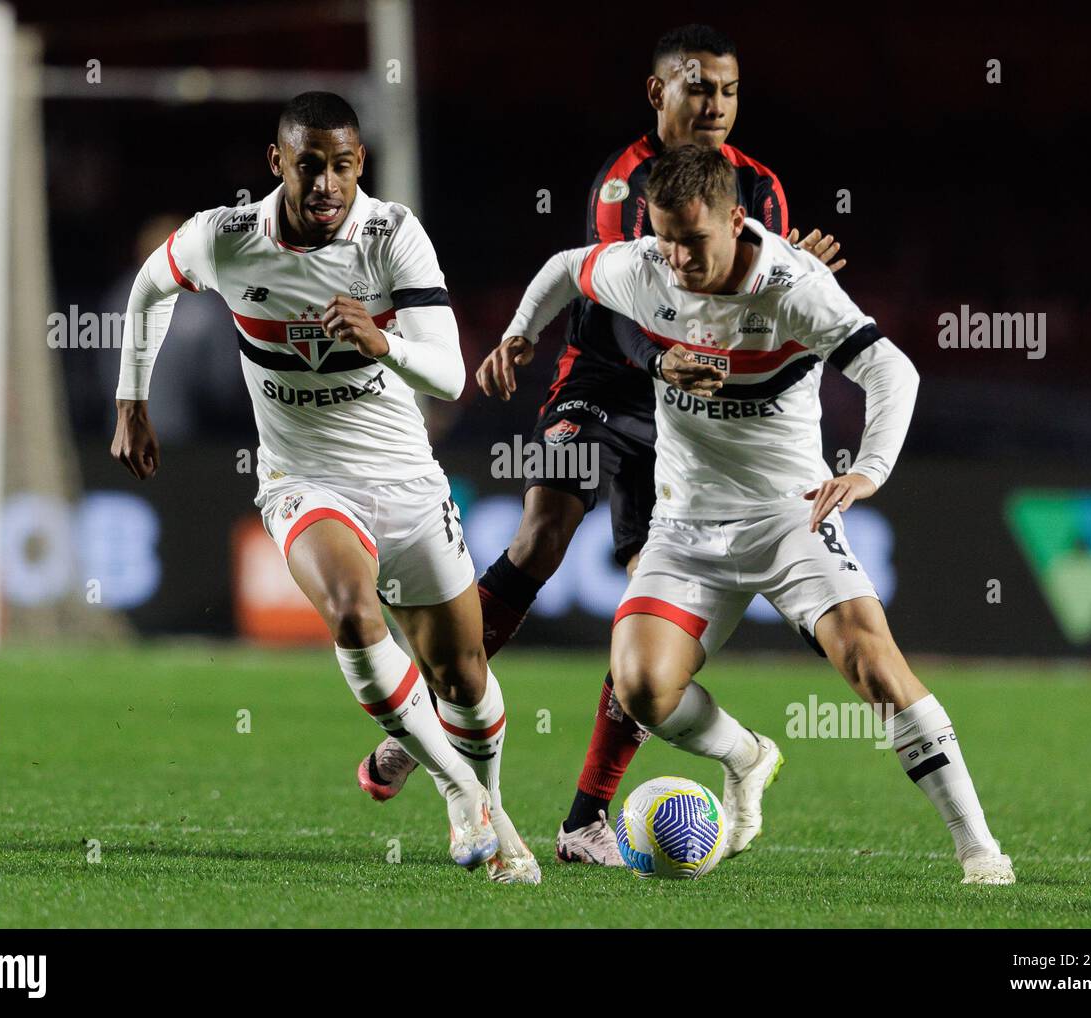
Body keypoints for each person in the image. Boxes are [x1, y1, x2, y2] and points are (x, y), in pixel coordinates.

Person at [359, 24, 843, 867]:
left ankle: (585, 818)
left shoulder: (759, 189)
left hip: (689, 421)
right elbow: (614, 308)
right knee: (541, 533)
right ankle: (435, 720)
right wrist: (533, 337)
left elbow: (763, 301)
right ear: (658, 96)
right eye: (698, 88)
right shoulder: (625, 185)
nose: (715, 105)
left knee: (643, 607)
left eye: (728, 90)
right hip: (602, 382)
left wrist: (798, 278)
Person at [500, 142, 1015, 884]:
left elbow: (890, 369)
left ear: (737, 220)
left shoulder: (793, 287)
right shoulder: (644, 266)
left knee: (872, 663)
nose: (677, 258)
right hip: (683, 529)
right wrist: (521, 331)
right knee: (640, 685)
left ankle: (978, 848)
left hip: (787, 519)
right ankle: (747, 756)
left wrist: (869, 469)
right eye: (665, 238)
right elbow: (562, 268)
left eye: (694, 240)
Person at [110, 91, 538, 884]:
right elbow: (148, 286)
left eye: (342, 165)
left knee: (464, 678)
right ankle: (462, 791)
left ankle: (480, 795)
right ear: (279, 163)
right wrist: (131, 399)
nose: (327, 183)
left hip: (409, 479)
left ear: (359, 165)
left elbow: (447, 373)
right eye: (310, 164)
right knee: (350, 611)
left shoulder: (393, 236)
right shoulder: (229, 238)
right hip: (304, 481)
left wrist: (383, 340)